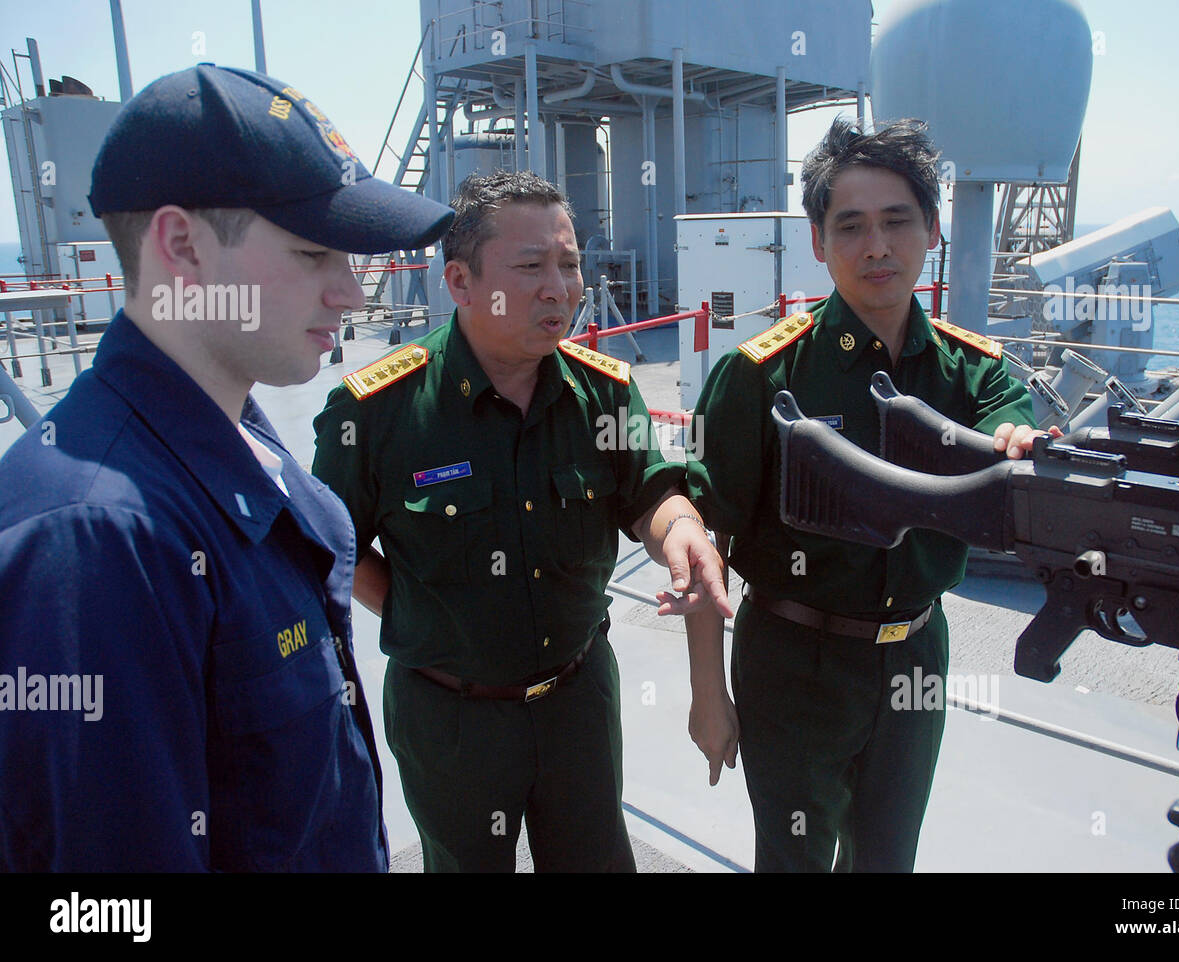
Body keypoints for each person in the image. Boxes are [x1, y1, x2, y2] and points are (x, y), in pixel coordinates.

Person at [0, 64, 454, 871]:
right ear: (181, 248)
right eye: (315, 251)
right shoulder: (98, 544)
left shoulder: (240, 442)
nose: (351, 292)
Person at [311, 170, 732, 873]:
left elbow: (650, 492)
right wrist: (431, 615)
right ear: (460, 281)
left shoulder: (602, 391)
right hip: (450, 719)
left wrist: (680, 529)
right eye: (531, 266)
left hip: (578, 699)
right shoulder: (376, 411)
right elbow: (335, 548)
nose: (560, 288)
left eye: (569, 264)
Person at [684, 118, 1055, 872]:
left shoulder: (967, 369)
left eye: (897, 221)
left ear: (933, 229)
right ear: (818, 241)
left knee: (888, 859)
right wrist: (707, 694)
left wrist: (1016, 437)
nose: (877, 247)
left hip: (916, 653)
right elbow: (705, 547)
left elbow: (1006, 413)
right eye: (850, 226)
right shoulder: (761, 377)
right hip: (793, 660)